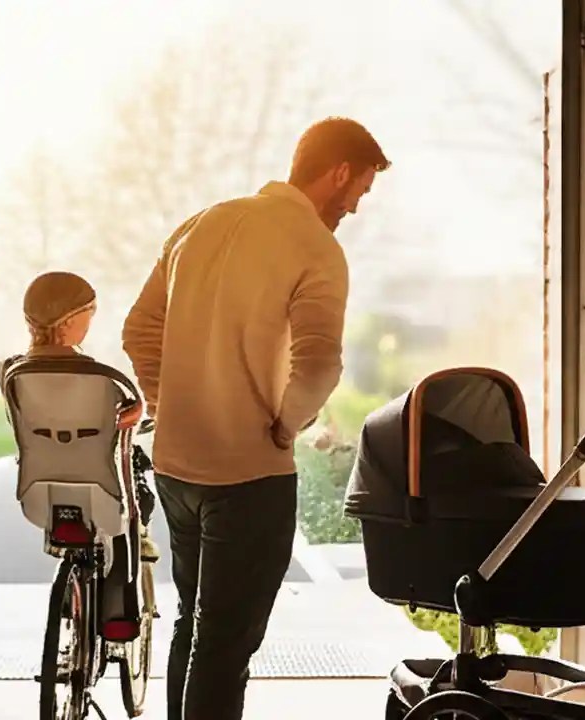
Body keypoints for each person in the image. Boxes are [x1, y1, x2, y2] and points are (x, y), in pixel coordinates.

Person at [121, 116, 389, 719]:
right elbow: (319, 365)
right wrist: (284, 426)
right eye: (360, 191)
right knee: (224, 646)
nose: (355, 207)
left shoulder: (201, 224)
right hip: (248, 477)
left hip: (178, 470)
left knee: (194, 628)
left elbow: (139, 330)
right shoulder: (317, 246)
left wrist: (169, 406)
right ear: (339, 171)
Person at [0, 270, 158, 625]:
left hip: (37, 493)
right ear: (72, 321)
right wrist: (139, 410)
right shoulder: (104, 380)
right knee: (135, 503)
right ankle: (118, 614)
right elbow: (127, 417)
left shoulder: (10, 375)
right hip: (100, 492)